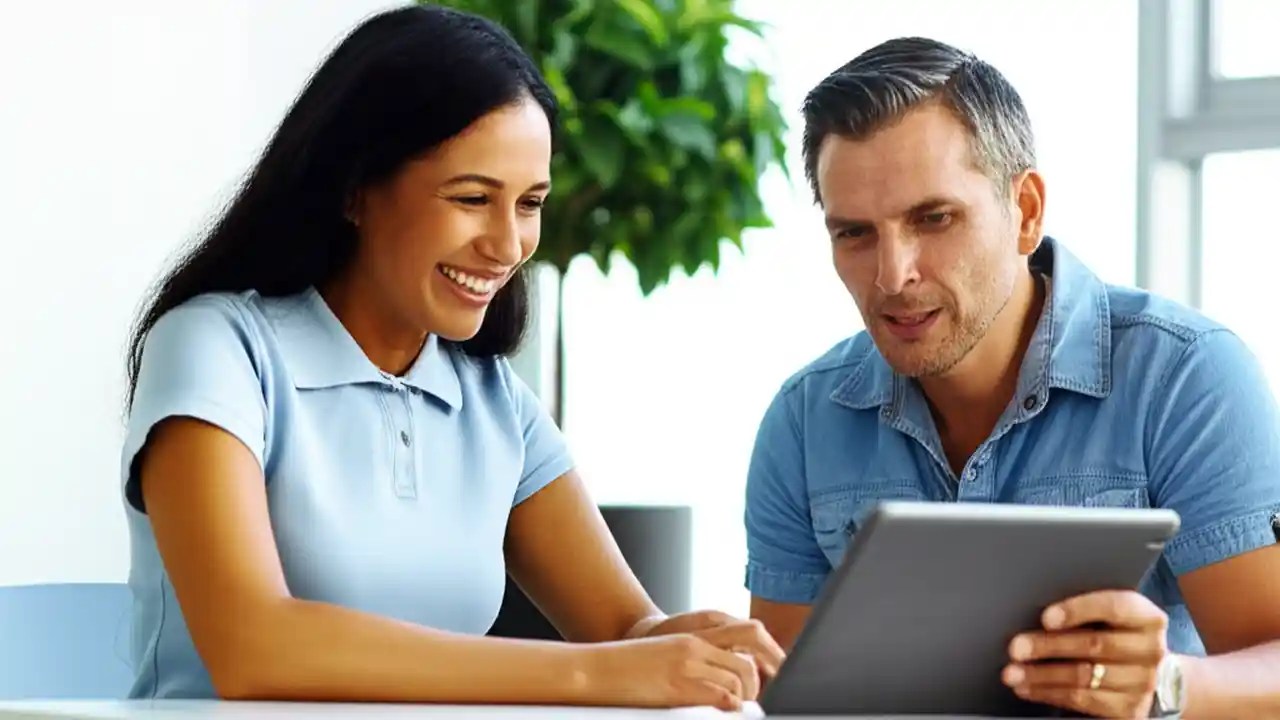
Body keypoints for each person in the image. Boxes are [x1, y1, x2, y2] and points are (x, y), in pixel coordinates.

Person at [120, 5, 782, 709]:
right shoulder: (217, 349)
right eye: (472, 198)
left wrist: (687, 643)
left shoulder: (494, 400)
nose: (508, 245)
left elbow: (624, 628)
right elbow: (254, 648)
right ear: (355, 188)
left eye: (530, 203)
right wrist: (595, 672)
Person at [744, 36, 1280, 719]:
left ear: (1025, 211)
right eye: (854, 234)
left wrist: (1168, 685)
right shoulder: (804, 421)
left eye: (933, 219)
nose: (892, 275)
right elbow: (789, 703)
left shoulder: (1185, 377)